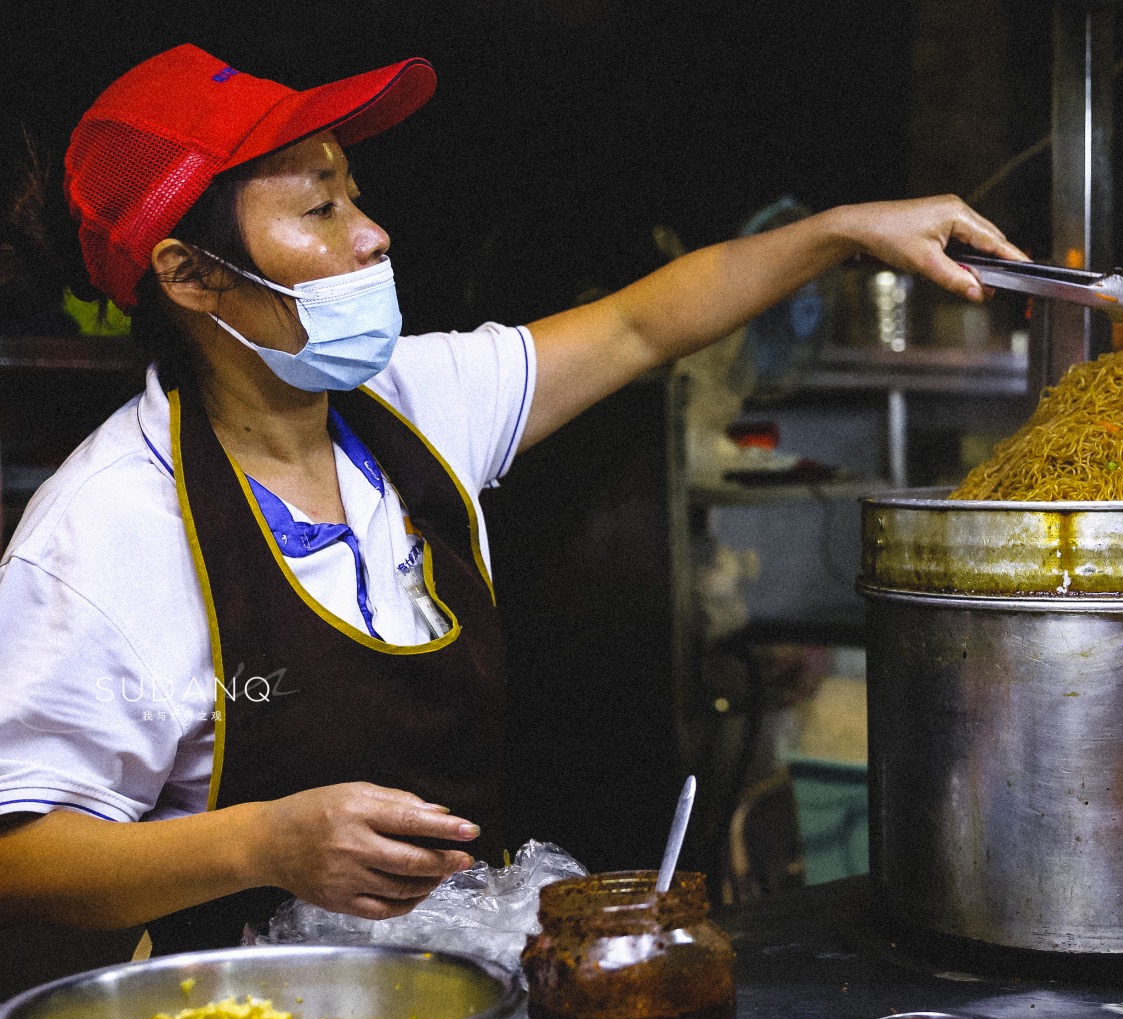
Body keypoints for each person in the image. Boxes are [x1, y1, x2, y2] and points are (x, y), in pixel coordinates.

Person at [0, 45, 1023, 950]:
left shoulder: (407, 403)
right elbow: (23, 860)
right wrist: (262, 843)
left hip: (450, 1018)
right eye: (320, 208)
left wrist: (842, 232)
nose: (372, 235)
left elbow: (637, 328)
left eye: (354, 194)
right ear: (188, 274)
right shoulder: (108, 529)